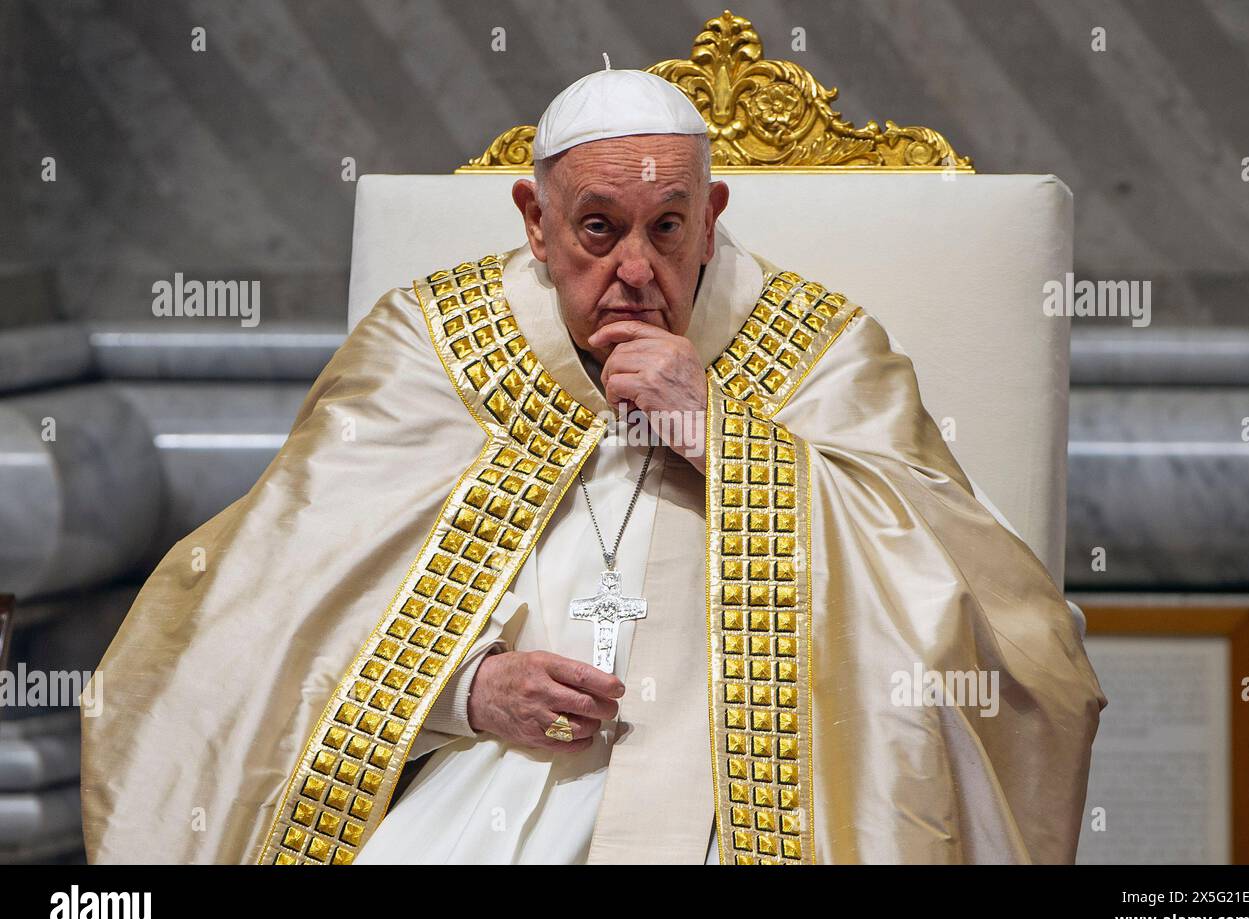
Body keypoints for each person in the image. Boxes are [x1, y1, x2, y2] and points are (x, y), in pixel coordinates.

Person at [81, 65, 1105, 865]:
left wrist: (723, 434)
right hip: (476, 776)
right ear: (535, 220)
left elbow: (992, 613)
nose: (633, 271)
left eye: (667, 231)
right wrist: (461, 689)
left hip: (747, 797)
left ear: (712, 216)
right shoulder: (431, 342)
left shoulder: (822, 351)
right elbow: (250, 612)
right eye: (597, 230)